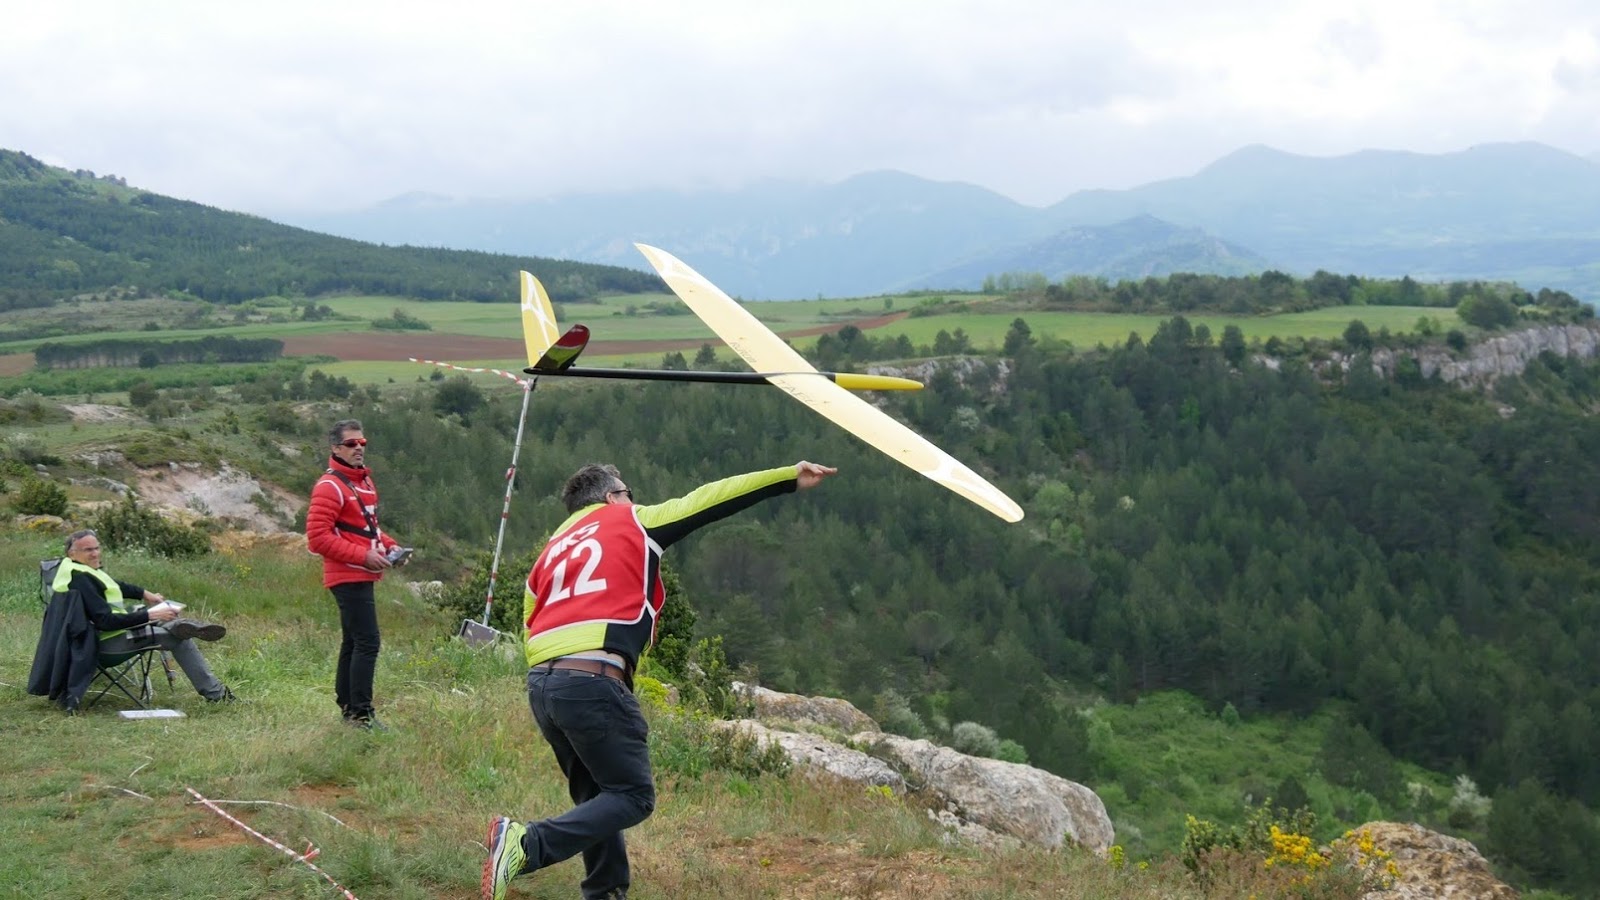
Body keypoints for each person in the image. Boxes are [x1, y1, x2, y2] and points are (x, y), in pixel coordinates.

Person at [482, 460, 838, 900]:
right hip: (593, 679)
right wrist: (786, 477)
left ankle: (605, 890)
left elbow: (528, 622)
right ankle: (527, 843)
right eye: (628, 492)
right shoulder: (633, 519)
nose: (633, 499)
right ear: (613, 496)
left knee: (598, 793)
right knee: (633, 796)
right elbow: (709, 499)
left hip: (542, 684)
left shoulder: (551, 549)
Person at [52, 528, 232, 702]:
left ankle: (179, 625)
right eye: (88, 550)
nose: (95, 553)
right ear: (72, 553)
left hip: (97, 638)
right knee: (178, 639)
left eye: (97, 548)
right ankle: (216, 694)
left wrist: (145, 594)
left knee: (146, 612)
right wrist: (150, 616)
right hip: (104, 645)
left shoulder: (74, 570)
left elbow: (113, 585)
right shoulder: (81, 579)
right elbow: (105, 621)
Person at [305, 418, 406, 729]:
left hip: (360, 572)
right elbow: (317, 538)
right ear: (336, 448)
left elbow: (368, 527)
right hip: (347, 575)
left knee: (353, 641)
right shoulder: (329, 486)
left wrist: (391, 547)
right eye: (351, 444)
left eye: (362, 443)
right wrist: (363, 556)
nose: (359, 448)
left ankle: (349, 707)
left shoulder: (362, 482)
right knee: (368, 642)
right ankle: (361, 714)